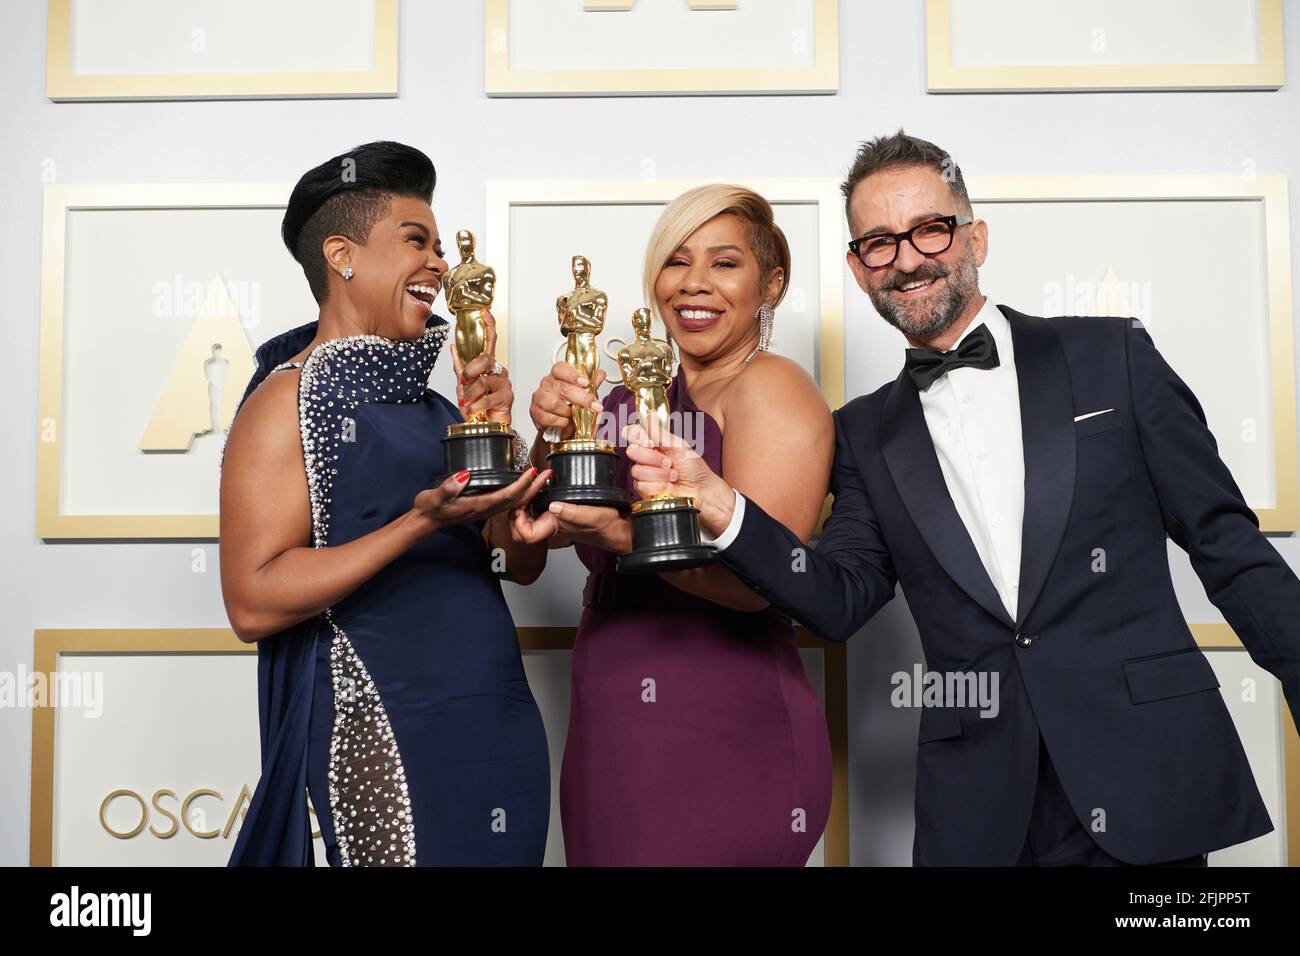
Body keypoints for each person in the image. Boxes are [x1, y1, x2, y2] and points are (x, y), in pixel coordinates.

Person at [626, 130, 1300, 867]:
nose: (907, 259)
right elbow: (839, 600)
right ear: (857, 269)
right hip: (979, 805)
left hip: (1143, 772)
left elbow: (1227, 546)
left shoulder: (1113, 356)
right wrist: (726, 509)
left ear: (974, 235)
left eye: (930, 230)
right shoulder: (862, 433)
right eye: (879, 243)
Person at [219, 141, 553, 866]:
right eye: (416, 241)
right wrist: (420, 522)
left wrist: (522, 444)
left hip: (497, 721)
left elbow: (519, 562)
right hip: (382, 725)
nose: (440, 263)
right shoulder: (286, 399)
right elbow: (252, 601)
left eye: (439, 244)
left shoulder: (443, 406)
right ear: (342, 255)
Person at [514, 185, 834, 865]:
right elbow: (519, 548)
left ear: (770, 284)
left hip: (726, 714)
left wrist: (619, 536)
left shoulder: (773, 388)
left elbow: (764, 584)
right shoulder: (622, 398)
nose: (694, 284)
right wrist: (549, 434)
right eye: (676, 261)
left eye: (724, 264)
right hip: (612, 715)